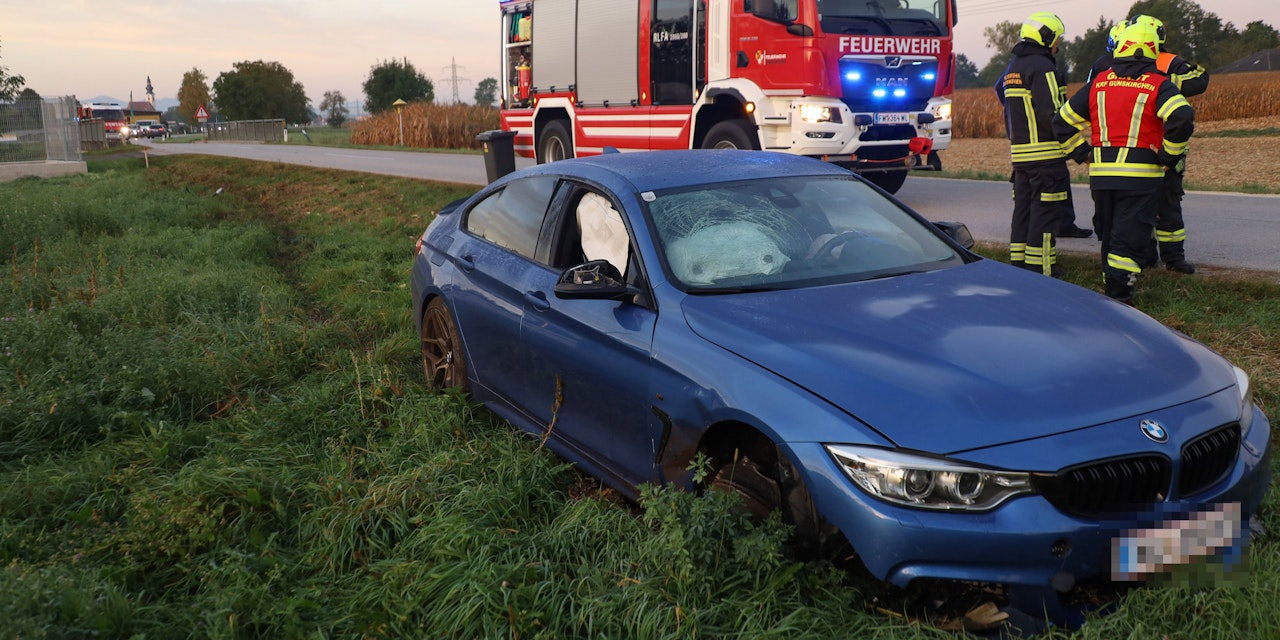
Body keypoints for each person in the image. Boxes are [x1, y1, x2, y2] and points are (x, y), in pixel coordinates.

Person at [1053, 21, 1194, 305]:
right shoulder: (1157, 84)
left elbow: (1061, 122)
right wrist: (1169, 155)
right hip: (1141, 177)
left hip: (1102, 176)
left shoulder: (1099, 82)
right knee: (1128, 239)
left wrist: (1082, 153)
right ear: (1153, 50)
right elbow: (1182, 117)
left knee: (1111, 235)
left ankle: (1112, 289)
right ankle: (1119, 298)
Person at [995, 12, 1077, 276]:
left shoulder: (1012, 68)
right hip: (1046, 157)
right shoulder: (1044, 67)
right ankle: (1042, 272)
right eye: (1057, 39)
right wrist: (1079, 147)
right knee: (1046, 215)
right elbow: (1051, 113)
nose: (1058, 45)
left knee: (1024, 213)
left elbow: (1001, 92)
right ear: (1046, 38)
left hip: (1021, 157)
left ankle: (1020, 269)